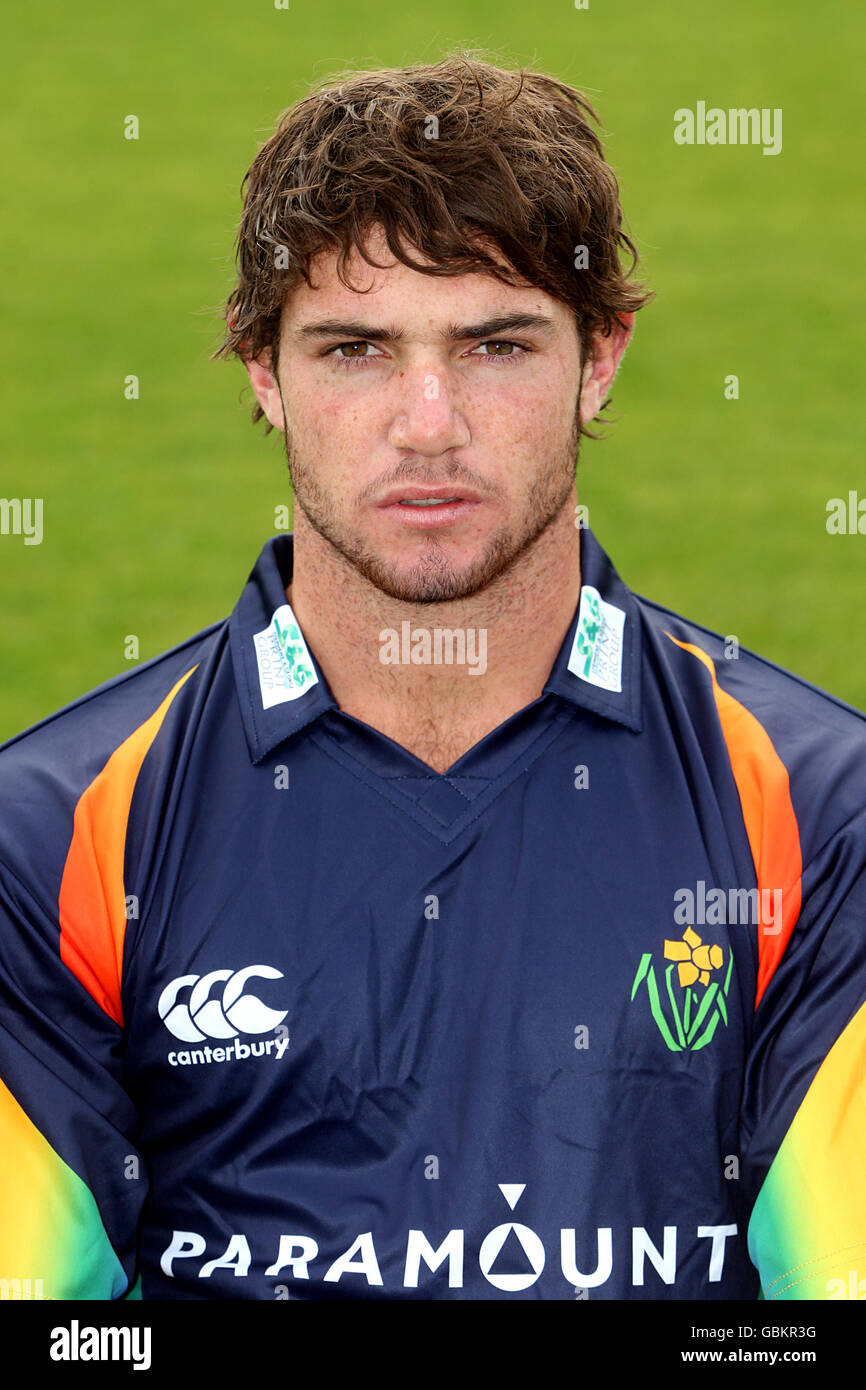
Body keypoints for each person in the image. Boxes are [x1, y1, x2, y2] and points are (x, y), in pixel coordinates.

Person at [1, 53, 864, 1303]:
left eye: (494, 345)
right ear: (261, 370)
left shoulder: (819, 816)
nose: (426, 422)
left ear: (599, 356)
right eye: (353, 348)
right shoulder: (53, 838)